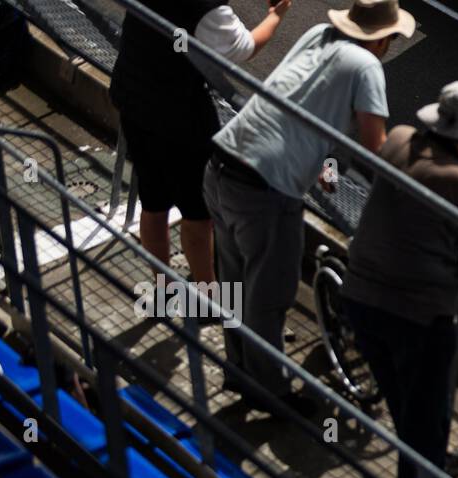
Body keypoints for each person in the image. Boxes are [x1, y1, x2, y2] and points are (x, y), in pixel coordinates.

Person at [204, 0, 414, 415]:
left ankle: (238, 367)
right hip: (266, 189)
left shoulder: (317, 34)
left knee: (233, 282)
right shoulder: (367, 66)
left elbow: (307, 100)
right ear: (384, 38)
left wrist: (324, 159)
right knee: (270, 294)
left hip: (222, 163)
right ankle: (271, 395)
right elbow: (377, 146)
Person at [341, 81, 458, 478]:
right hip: (418, 311)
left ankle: (431, 465)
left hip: (361, 292)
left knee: (404, 399)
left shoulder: (397, 139)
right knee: (425, 407)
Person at [110, 0, 290, 285]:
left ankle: (162, 288)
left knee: (153, 202)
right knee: (197, 213)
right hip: (179, 114)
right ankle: (206, 297)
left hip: (132, 93)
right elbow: (243, 47)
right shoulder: (207, 7)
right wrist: (276, 15)